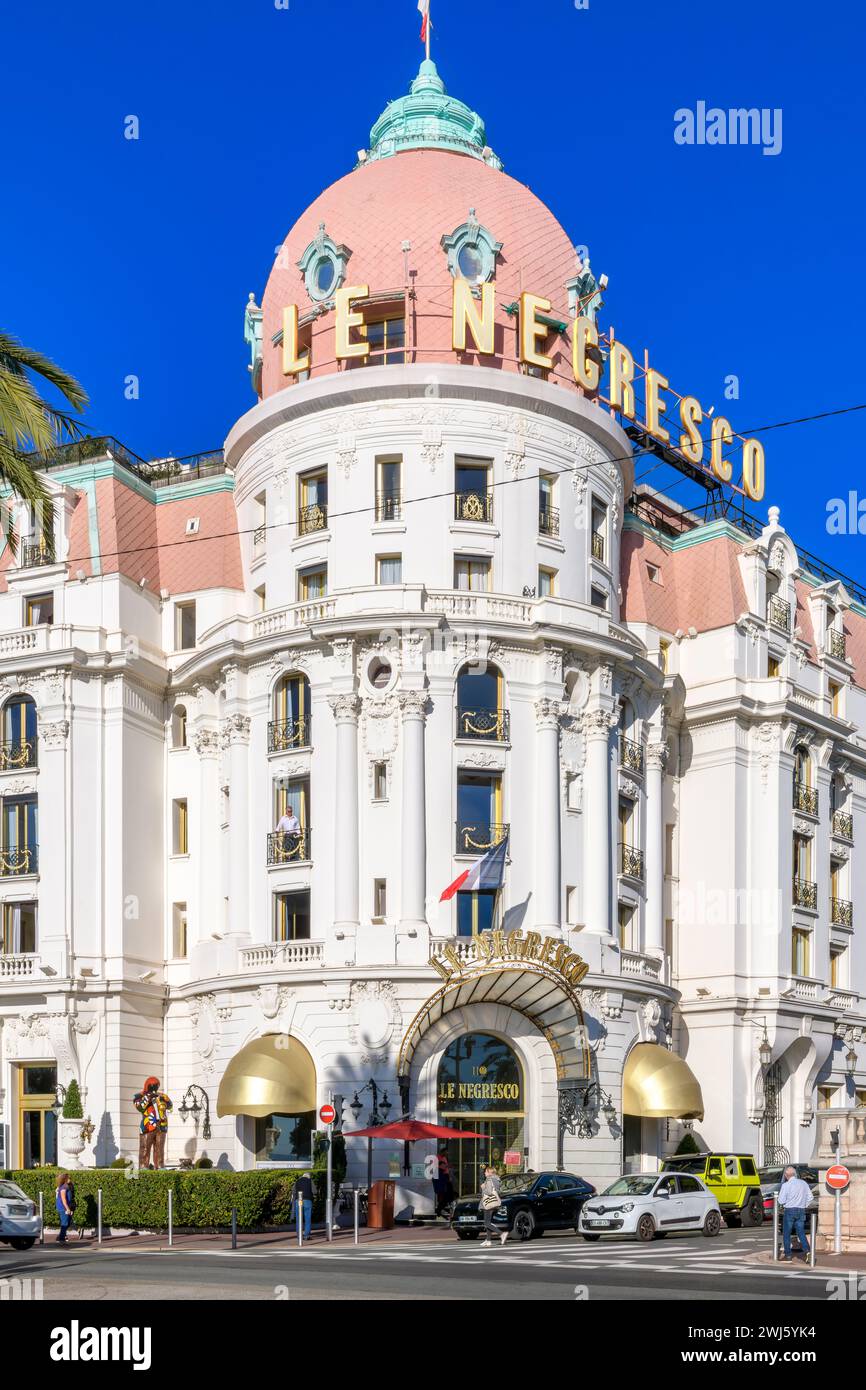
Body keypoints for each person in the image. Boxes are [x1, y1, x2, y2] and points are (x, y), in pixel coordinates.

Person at [133, 1076, 173, 1169]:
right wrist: (148, 1097)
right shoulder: (139, 1096)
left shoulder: (162, 1096)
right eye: (152, 1086)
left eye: (156, 1086)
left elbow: (170, 1106)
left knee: (159, 1148)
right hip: (148, 1125)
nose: (154, 1088)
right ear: (147, 1086)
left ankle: (160, 1166)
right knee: (145, 1147)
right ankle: (143, 1166)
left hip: (162, 1124)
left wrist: (164, 1099)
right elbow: (140, 1107)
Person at [778, 1166, 813, 1261]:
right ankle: (807, 1251)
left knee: (787, 1233)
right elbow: (810, 1197)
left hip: (789, 1210)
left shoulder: (785, 1185)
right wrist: (803, 1205)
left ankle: (788, 1255)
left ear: (786, 1175)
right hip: (801, 1210)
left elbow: (781, 1200)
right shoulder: (803, 1183)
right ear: (795, 1174)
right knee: (801, 1232)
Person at [479, 1164, 507, 1247]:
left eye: (486, 1172)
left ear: (489, 1172)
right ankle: (488, 1240)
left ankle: (502, 1234)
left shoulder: (489, 1180)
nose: (484, 1173)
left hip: (489, 1203)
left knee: (487, 1223)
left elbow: (488, 1192)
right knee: (488, 1222)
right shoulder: (497, 1180)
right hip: (494, 1203)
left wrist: (483, 1187)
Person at [293, 1170, 314, 1242]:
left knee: (299, 1219)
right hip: (308, 1201)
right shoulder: (310, 1181)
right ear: (309, 1176)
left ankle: (299, 1236)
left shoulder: (297, 1181)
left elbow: (293, 1191)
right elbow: (315, 1191)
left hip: (298, 1201)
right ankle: (306, 1235)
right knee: (307, 1219)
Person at [55, 1172, 74, 1243]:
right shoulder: (63, 1188)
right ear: (65, 1179)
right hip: (63, 1208)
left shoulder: (66, 1186)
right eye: (69, 1178)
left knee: (67, 1222)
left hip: (65, 1207)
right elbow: (64, 1200)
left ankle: (60, 1237)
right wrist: (67, 1208)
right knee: (65, 1223)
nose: (70, 1179)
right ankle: (61, 1239)